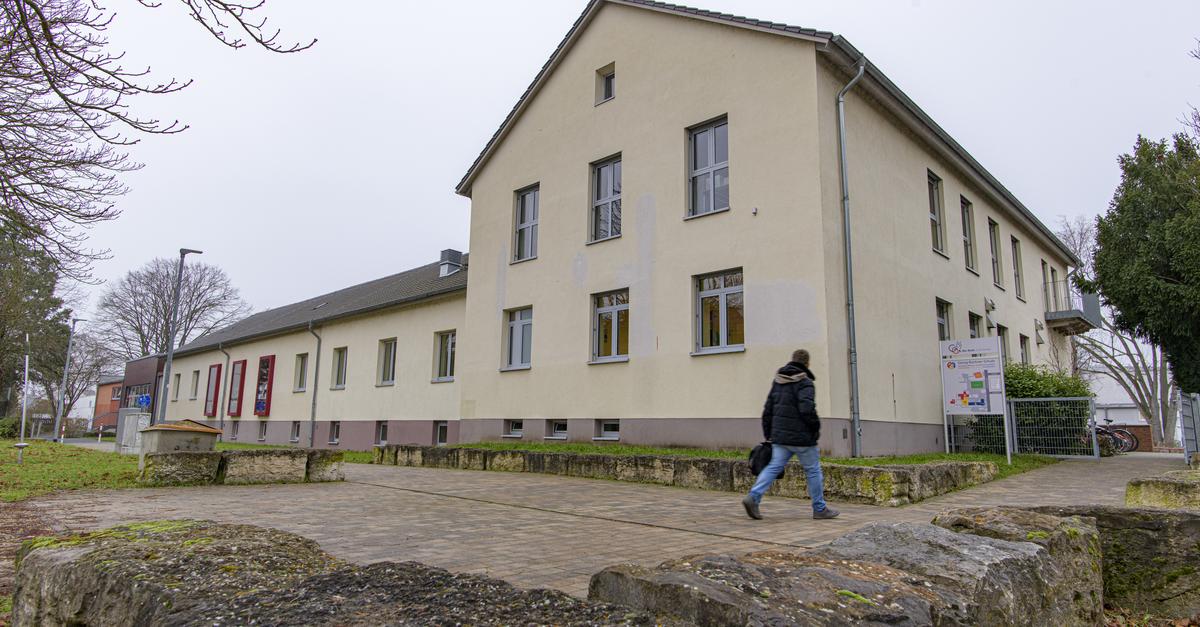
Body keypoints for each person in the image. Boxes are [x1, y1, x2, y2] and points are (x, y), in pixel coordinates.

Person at [742, 349, 839, 520]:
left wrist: (769, 435)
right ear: (807, 364)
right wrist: (815, 430)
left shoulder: (778, 381)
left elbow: (768, 410)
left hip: (780, 437)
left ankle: (753, 497)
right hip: (803, 439)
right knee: (813, 471)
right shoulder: (805, 383)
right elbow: (807, 409)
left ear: (792, 361)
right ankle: (819, 508)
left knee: (773, 467)